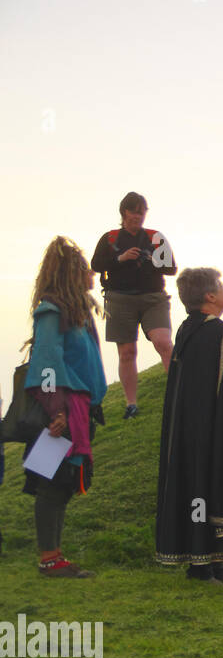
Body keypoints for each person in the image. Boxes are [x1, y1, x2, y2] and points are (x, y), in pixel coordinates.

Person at [155, 268, 223, 583]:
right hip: (213, 428)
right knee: (208, 486)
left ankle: (213, 561)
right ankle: (202, 565)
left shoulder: (188, 332)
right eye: (221, 285)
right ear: (209, 296)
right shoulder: (220, 333)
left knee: (199, 489)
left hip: (191, 426)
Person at [21, 237, 108, 577]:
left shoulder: (75, 312)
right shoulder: (52, 311)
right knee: (52, 482)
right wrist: (56, 410)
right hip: (60, 412)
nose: (91, 273)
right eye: (85, 268)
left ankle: (54, 555)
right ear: (70, 273)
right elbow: (45, 363)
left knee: (65, 482)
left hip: (78, 410)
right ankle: (50, 559)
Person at [91, 192, 176, 419]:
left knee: (163, 342)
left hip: (153, 298)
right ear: (124, 213)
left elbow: (171, 268)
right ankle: (131, 404)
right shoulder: (110, 238)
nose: (138, 216)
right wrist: (121, 259)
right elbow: (96, 264)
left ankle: (180, 393)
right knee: (127, 352)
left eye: (142, 211)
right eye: (134, 211)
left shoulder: (154, 237)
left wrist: (150, 260)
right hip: (120, 299)